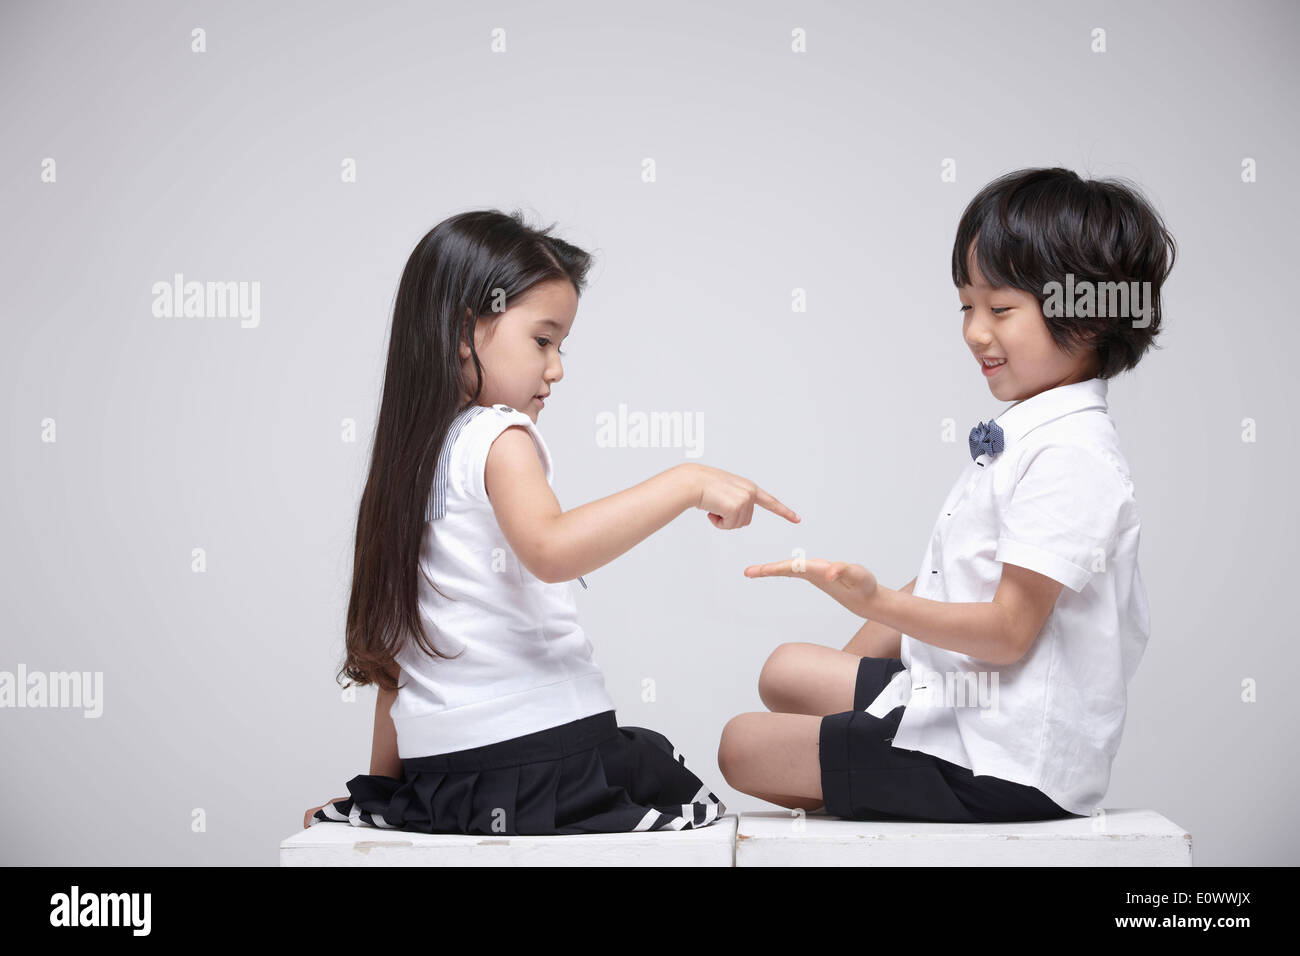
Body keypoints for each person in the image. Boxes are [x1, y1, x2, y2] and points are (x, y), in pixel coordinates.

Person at [303, 209, 799, 835]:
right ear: (465, 331)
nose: (557, 367)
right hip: (545, 762)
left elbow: (395, 671)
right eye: (543, 340)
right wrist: (688, 482)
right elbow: (552, 548)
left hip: (450, 784)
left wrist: (382, 797)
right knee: (669, 781)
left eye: (561, 345)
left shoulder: (406, 468)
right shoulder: (497, 433)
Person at [726, 167, 1176, 822]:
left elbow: (1009, 633)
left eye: (999, 309)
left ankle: (879, 776)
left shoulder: (1072, 457)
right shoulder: (1029, 434)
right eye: (967, 305)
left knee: (742, 746)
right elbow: (951, 578)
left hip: (1007, 756)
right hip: (966, 694)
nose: (974, 331)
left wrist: (876, 600)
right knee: (787, 671)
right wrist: (858, 679)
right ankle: (868, 755)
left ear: (1087, 317)